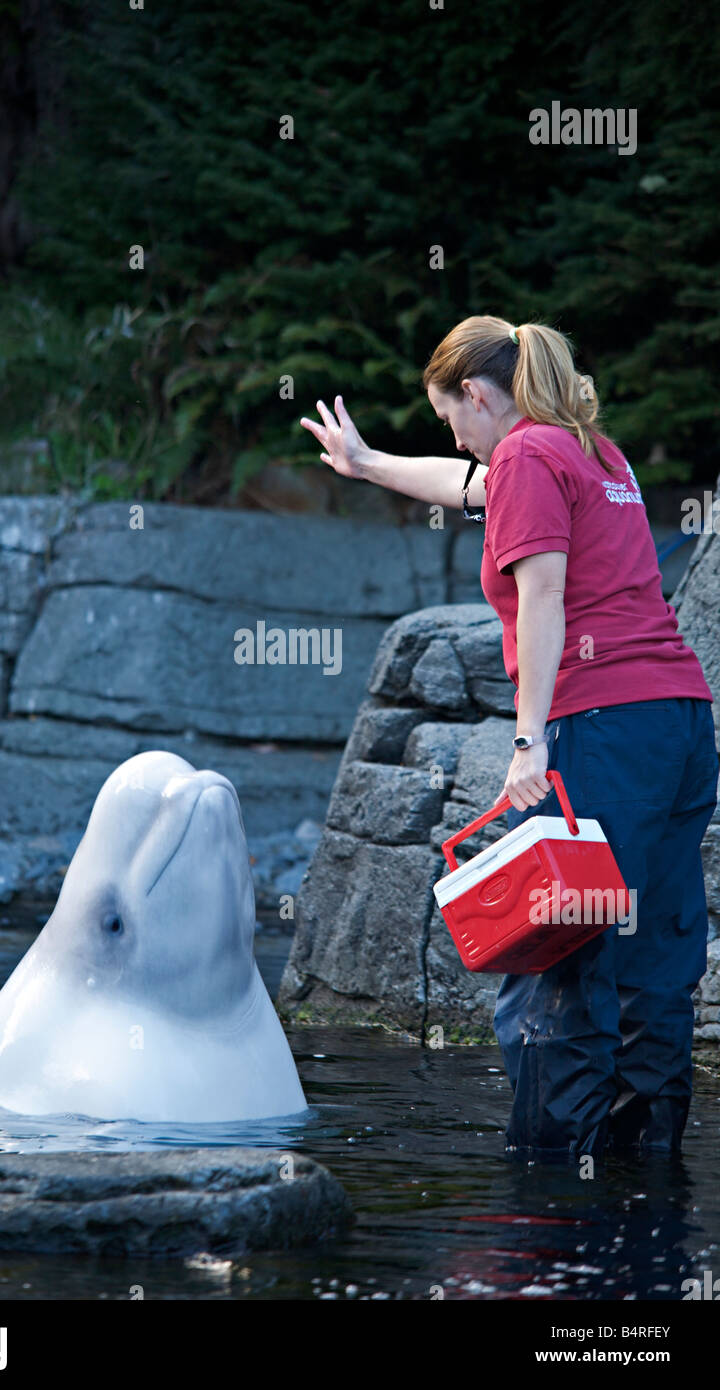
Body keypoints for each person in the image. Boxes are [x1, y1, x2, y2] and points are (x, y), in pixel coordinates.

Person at [300, 314, 719, 1161]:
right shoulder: (590, 450)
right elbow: (467, 485)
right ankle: (645, 1199)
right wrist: (369, 463)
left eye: (450, 417)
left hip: (602, 725)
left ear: (480, 395)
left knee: (559, 960)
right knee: (656, 960)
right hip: (678, 720)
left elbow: (544, 596)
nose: (453, 436)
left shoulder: (527, 456)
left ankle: (549, 1209)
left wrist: (528, 743)